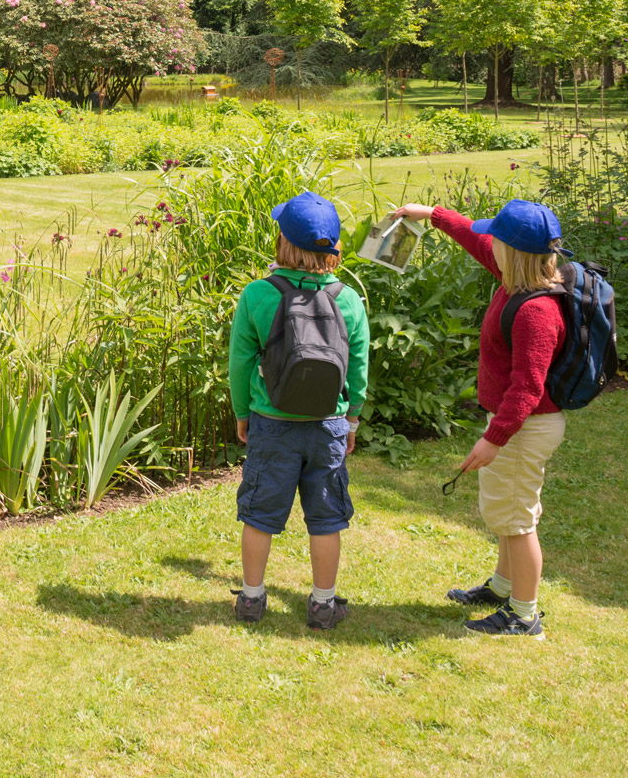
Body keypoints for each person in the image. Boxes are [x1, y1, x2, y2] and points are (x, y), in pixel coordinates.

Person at [390, 197, 566, 639]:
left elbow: (527, 387)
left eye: (498, 240)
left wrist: (495, 439)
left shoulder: (535, 312)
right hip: (515, 426)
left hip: (523, 427)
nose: (490, 244)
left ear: (513, 251)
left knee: (517, 519)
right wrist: (431, 215)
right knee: (506, 510)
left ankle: (523, 616)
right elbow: (474, 236)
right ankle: (503, 588)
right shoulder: (517, 279)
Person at [229, 191, 369, 630]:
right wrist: (352, 418)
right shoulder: (348, 299)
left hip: (272, 423)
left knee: (260, 514)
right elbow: (359, 366)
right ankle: (323, 604)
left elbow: (240, 362)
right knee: (326, 517)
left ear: (282, 241)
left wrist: (242, 413)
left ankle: (252, 599)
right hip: (328, 423)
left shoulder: (258, 294)